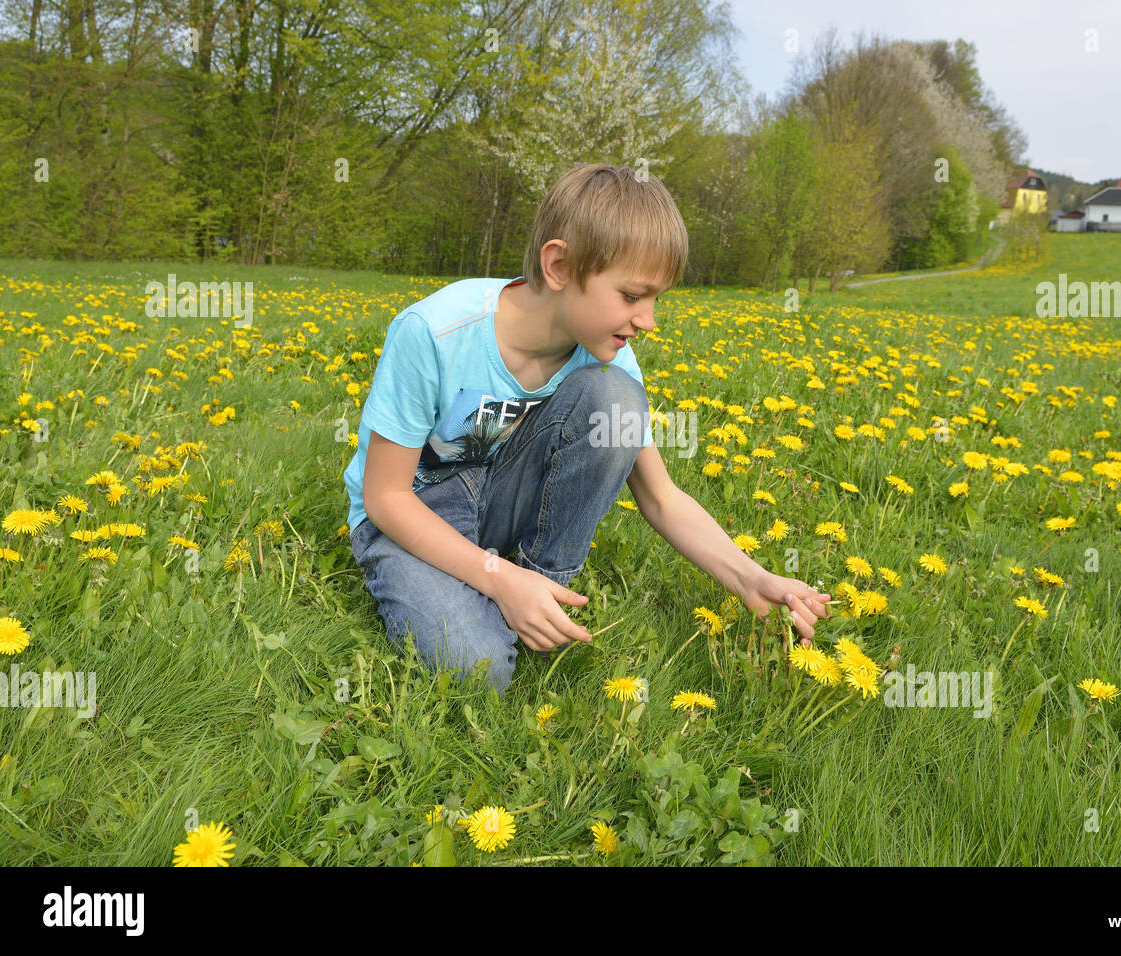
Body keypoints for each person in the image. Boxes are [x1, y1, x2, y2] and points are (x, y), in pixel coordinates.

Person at [343, 163, 830, 693]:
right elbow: (386, 497)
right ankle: (503, 592)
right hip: (413, 515)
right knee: (475, 671)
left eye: (655, 300)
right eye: (631, 296)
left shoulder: (611, 362)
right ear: (559, 266)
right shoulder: (435, 332)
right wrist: (497, 578)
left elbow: (662, 497)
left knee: (613, 398)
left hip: (499, 504)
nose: (648, 321)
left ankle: (542, 590)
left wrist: (751, 578)